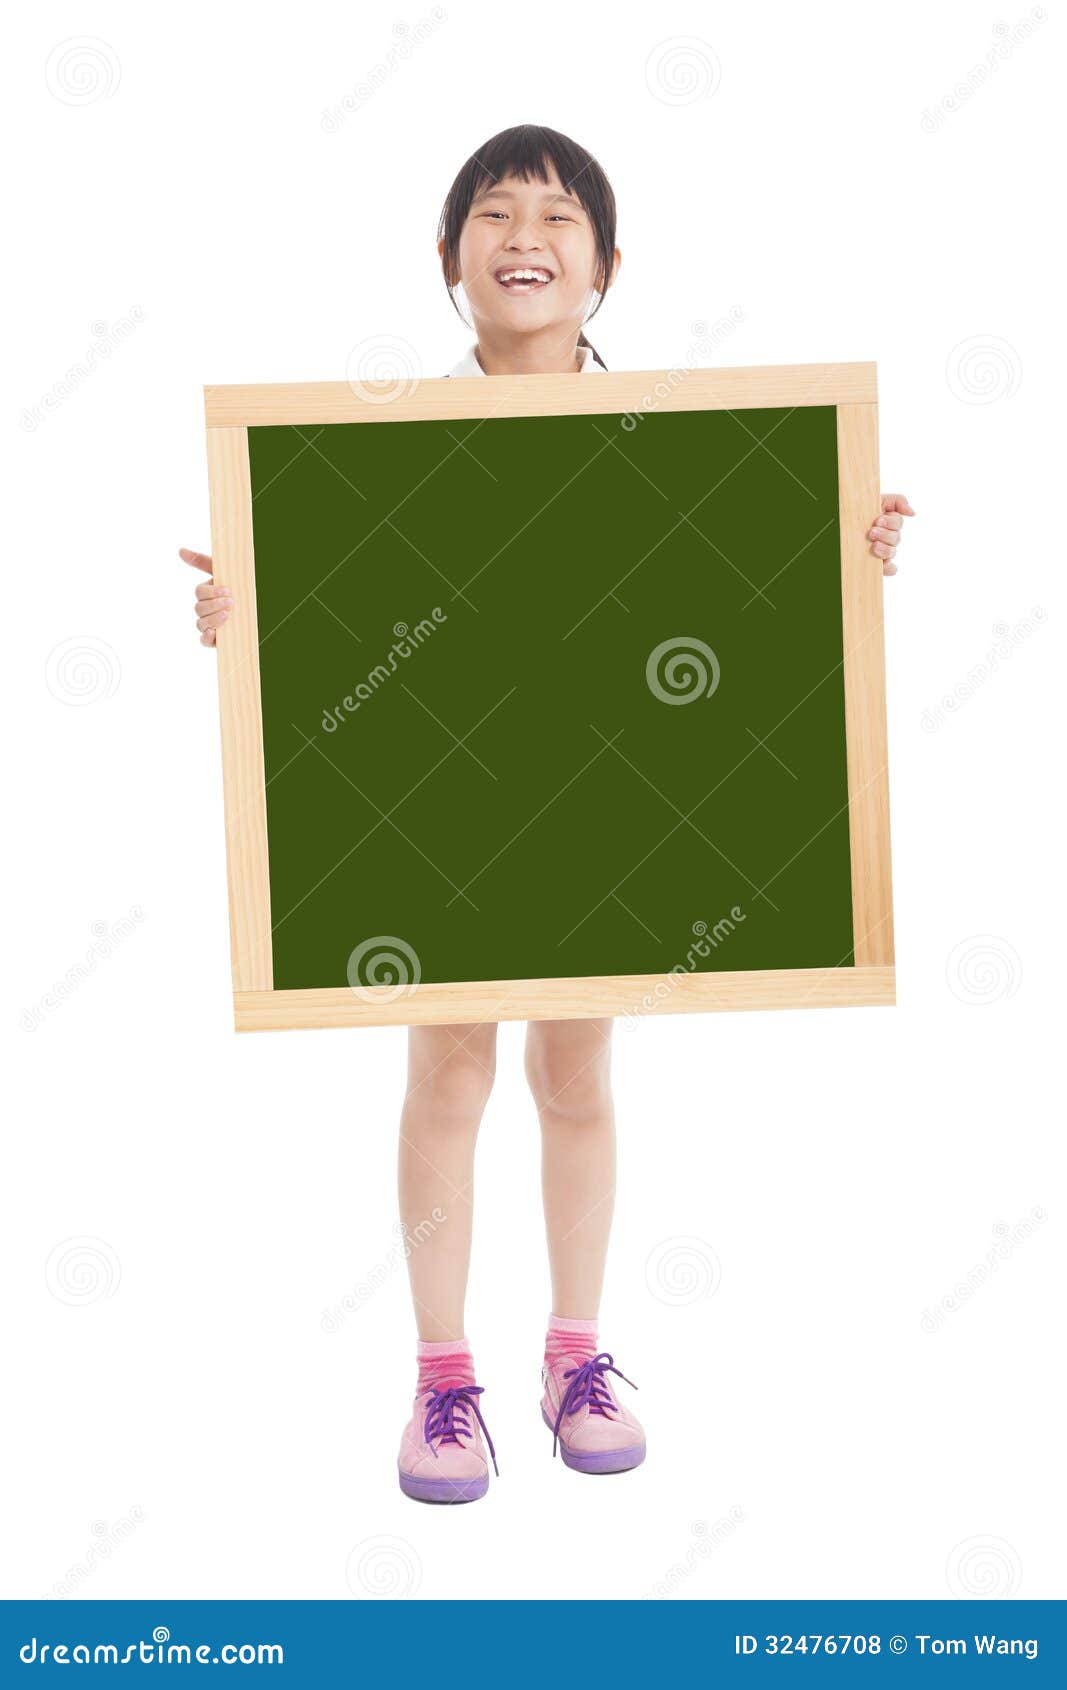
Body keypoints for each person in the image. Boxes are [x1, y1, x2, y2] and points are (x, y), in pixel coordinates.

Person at [180, 124, 914, 1504]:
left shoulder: (683, 445)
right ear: (450, 258)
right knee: (449, 1070)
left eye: (560, 215)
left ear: (609, 265)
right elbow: (339, 635)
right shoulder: (368, 443)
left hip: (603, 807)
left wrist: (846, 546)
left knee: (576, 1075)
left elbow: (742, 616)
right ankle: (443, 1378)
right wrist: (245, 607)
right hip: (442, 806)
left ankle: (575, 1357)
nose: (528, 234)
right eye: (496, 212)